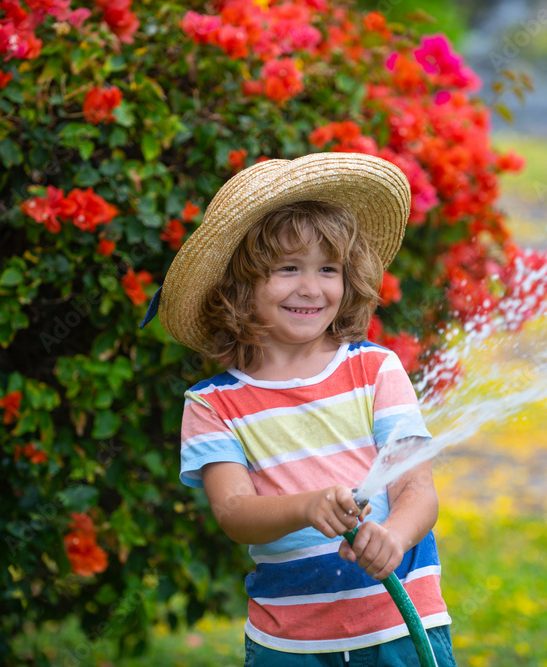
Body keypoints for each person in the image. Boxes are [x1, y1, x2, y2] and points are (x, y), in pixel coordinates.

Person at [139, 152, 456, 666]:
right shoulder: (213, 404)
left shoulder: (375, 371)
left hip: (400, 628)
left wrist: (394, 538)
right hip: (291, 643)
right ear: (239, 287)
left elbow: (417, 488)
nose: (311, 288)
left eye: (328, 269)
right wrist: (308, 506)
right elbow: (235, 513)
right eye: (288, 269)